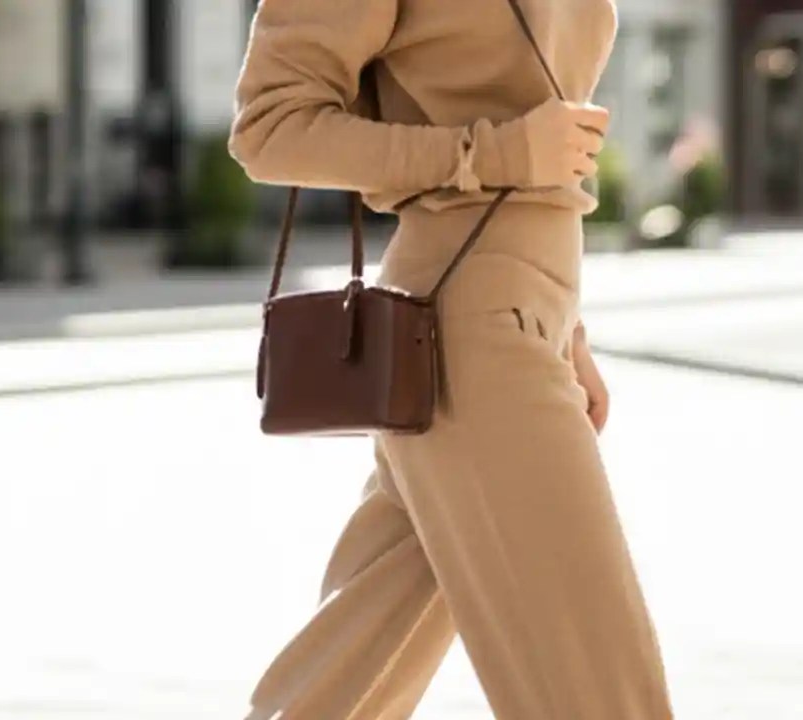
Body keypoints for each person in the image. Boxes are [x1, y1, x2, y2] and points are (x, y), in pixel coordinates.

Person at [228, 0, 676, 718]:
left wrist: (567, 330)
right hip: (468, 328)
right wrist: (486, 154)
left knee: (344, 686)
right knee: (599, 690)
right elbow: (268, 128)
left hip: (517, 309)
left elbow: (542, 120)